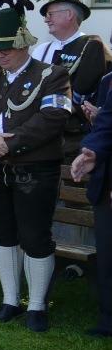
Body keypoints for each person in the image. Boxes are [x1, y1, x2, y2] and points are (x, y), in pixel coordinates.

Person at [0, 0, 72, 333]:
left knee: (35, 235)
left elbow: (53, 116)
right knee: (3, 233)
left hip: (35, 167)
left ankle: (37, 305)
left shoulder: (52, 75)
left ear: (24, 44)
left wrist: (5, 144)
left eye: (5, 49)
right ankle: (10, 299)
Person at [32, 0, 111, 158]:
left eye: (50, 14)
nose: (46, 19)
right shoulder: (41, 49)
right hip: (37, 133)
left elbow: (81, 96)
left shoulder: (91, 46)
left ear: (69, 14)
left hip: (71, 137)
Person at [71, 103, 112, 337]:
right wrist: (92, 151)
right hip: (105, 188)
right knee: (107, 257)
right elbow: (106, 127)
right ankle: (108, 320)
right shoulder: (110, 82)